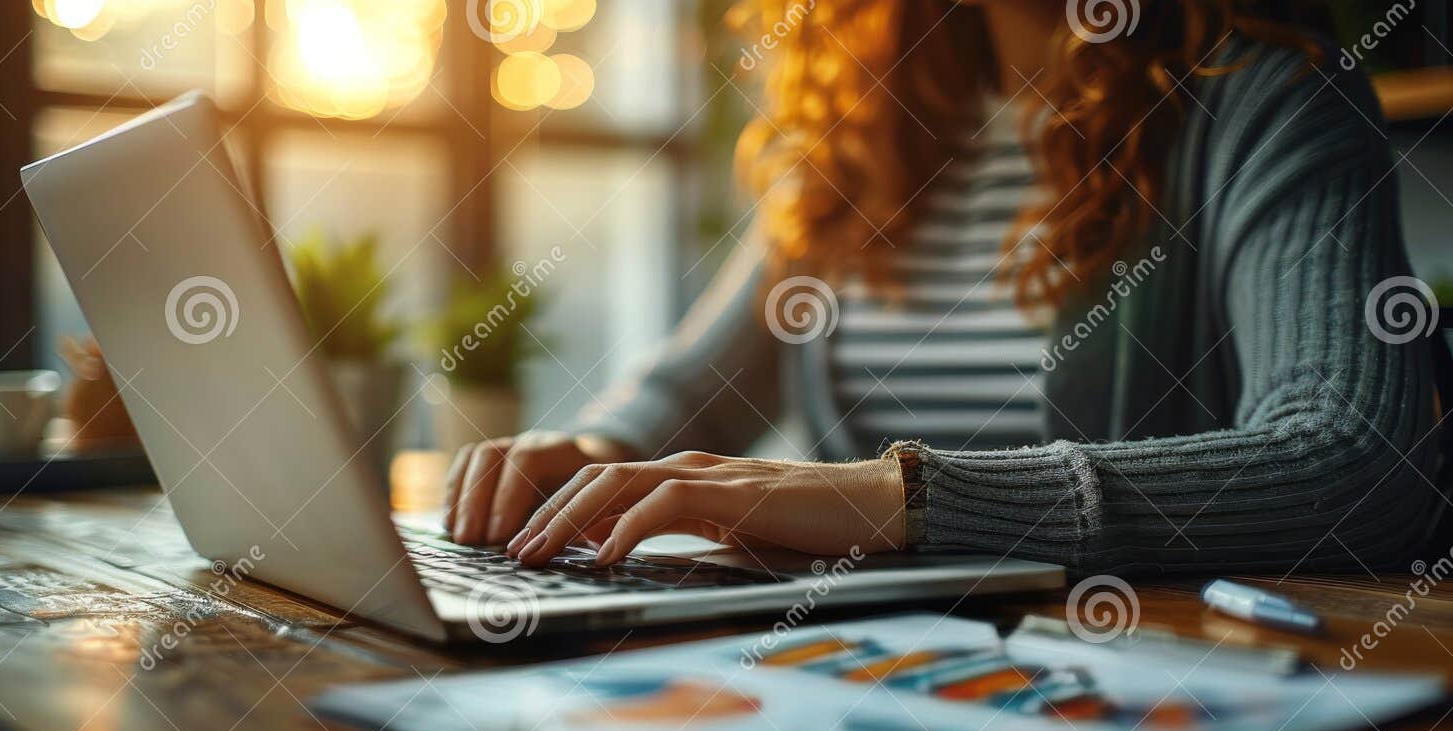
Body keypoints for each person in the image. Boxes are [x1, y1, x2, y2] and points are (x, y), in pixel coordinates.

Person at [444, 0, 1443, 576]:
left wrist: (906, 498)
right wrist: (599, 448)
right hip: (855, 690)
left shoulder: (1263, 99)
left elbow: (1357, 458)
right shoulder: (860, 124)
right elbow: (699, 390)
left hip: (1137, 716)